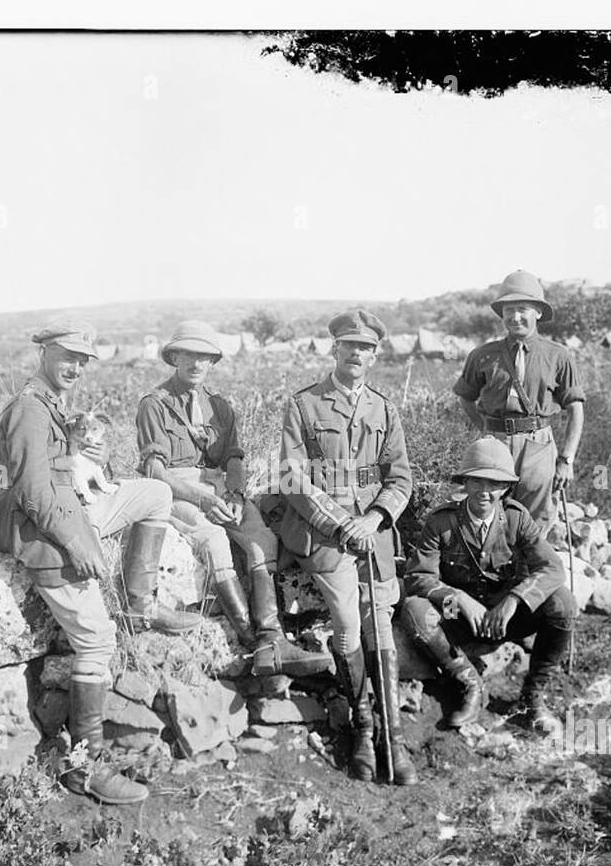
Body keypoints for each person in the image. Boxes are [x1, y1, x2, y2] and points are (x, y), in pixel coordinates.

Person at [0, 324, 201, 805]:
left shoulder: (52, 405)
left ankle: (140, 604)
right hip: (46, 534)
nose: (76, 368)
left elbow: (63, 470)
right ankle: (84, 767)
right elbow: (34, 492)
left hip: (75, 512)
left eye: (83, 361)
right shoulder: (29, 409)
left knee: (156, 493)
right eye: (67, 357)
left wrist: (89, 454)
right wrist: (77, 545)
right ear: (43, 352)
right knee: (97, 641)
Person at [135, 320, 331, 677]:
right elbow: (155, 472)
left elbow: (234, 459)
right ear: (175, 357)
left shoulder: (220, 407)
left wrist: (237, 493)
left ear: (213, 363)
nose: (197, 364)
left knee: (262, 538)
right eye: (189, 355)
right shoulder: (155, 405)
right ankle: (252, 640)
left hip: (220, 487)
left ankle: (273, 638)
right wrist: (204, 500)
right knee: (212, 539)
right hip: (178, 489)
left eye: (205, 357)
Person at [275, 309, 416, 785]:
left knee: (381, 619)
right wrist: (341, 526)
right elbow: (291, 477)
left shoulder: (384, 408)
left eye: (367, 348)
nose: (357, 354)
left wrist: (374, 519)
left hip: (372, 532)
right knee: (348, 622)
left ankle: (392, 737)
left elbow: (400, 476)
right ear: (334, 349)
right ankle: (363, 724)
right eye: (349, 345)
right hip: (323, 534)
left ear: (376, 355)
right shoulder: (305, 404)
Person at [399, 437, 574, 733]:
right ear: (465, 483)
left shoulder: (516, 519)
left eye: (494, 483)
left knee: (563, 604)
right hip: (458, 617)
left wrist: (514, 600)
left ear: (505, 488)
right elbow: (418, 576)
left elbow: (552, 567)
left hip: (507, 619)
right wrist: (458, 599)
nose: (484, 491)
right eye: (477, 481)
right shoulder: (442, 522)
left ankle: (533, 698)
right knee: (416, 611)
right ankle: (470, 684)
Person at [454, 269, 586, 535]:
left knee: (536, 517)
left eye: (522, 308)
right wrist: (487, 429)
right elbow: (466, 397)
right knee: (486, 510)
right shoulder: (482, 356)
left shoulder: (558, 356)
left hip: (538, 444)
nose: (515, 317)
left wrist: (566, 460)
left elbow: (576, 409)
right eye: (508, 310)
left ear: (538, 311)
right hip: (495, 443)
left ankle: (531, 571)